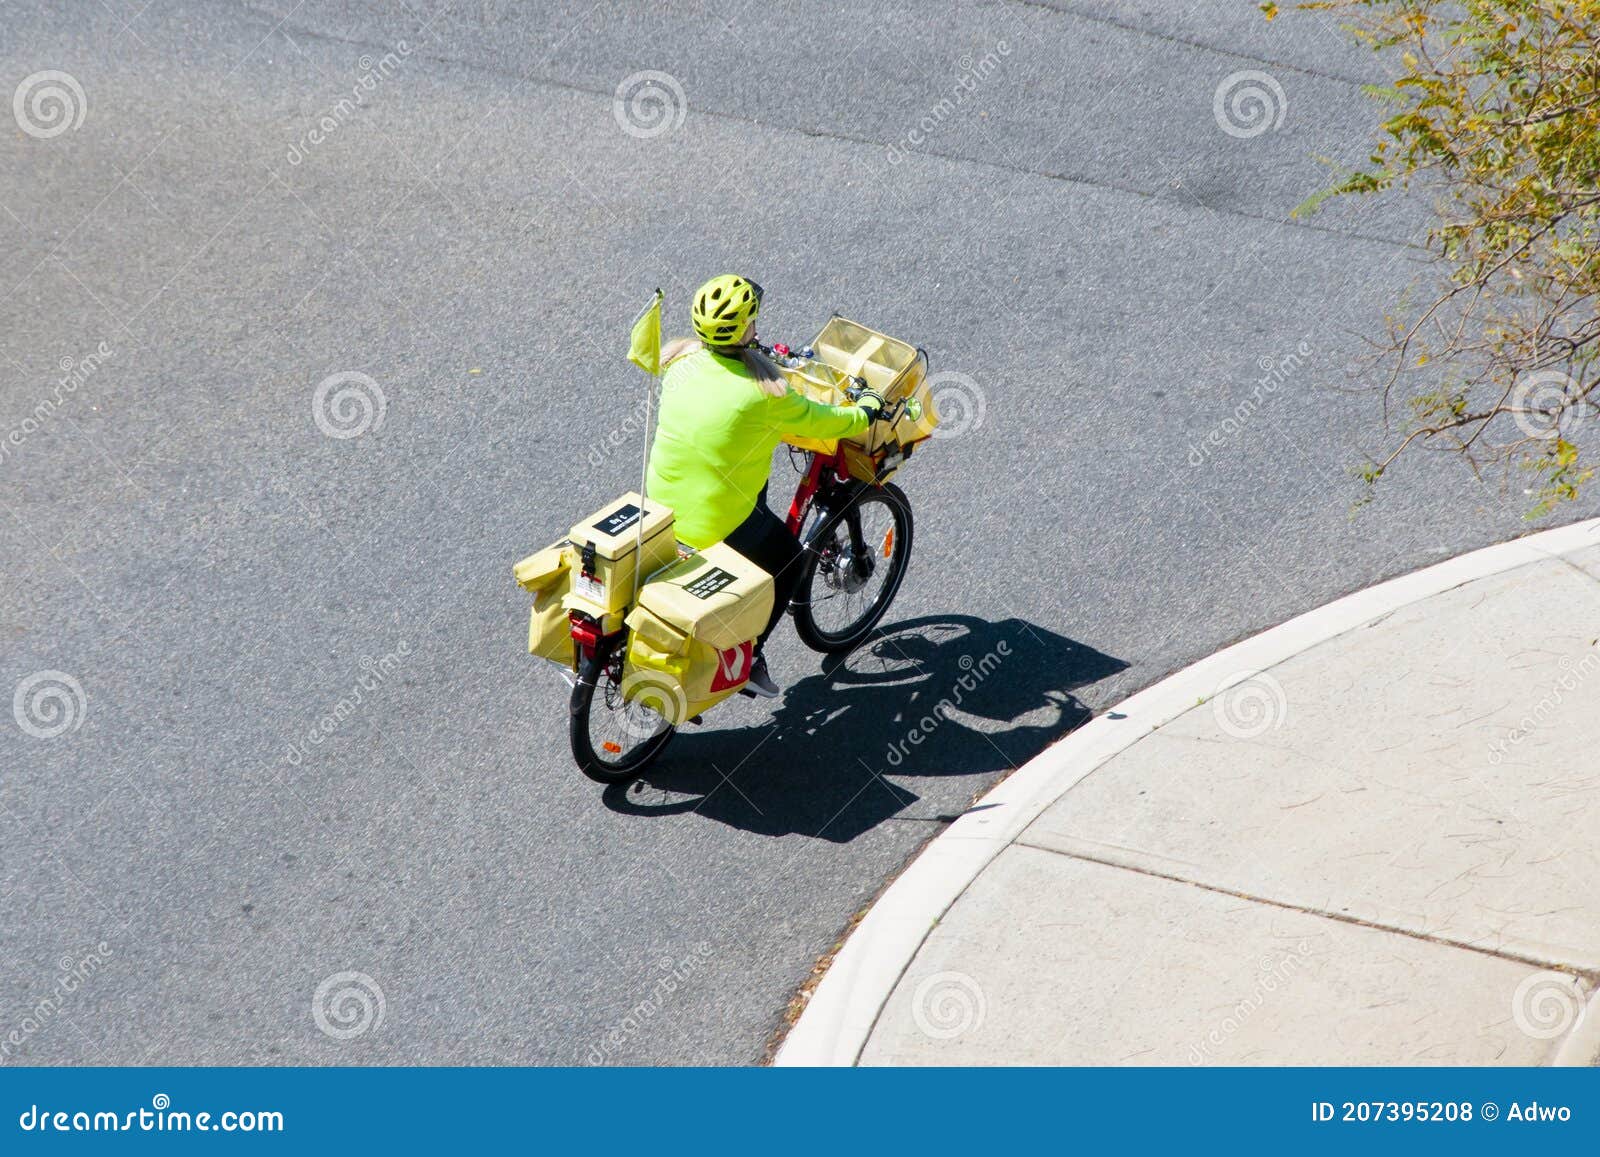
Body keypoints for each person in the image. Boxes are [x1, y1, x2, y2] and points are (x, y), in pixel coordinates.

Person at [645, 274, 883, 698]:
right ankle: (751, 656)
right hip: (712, 524)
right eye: (753, 319)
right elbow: (820, 420)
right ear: (745, 329)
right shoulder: (764, 395)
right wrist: (865, 412)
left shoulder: (678, 362)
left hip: (661, 505)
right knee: (790, 558)